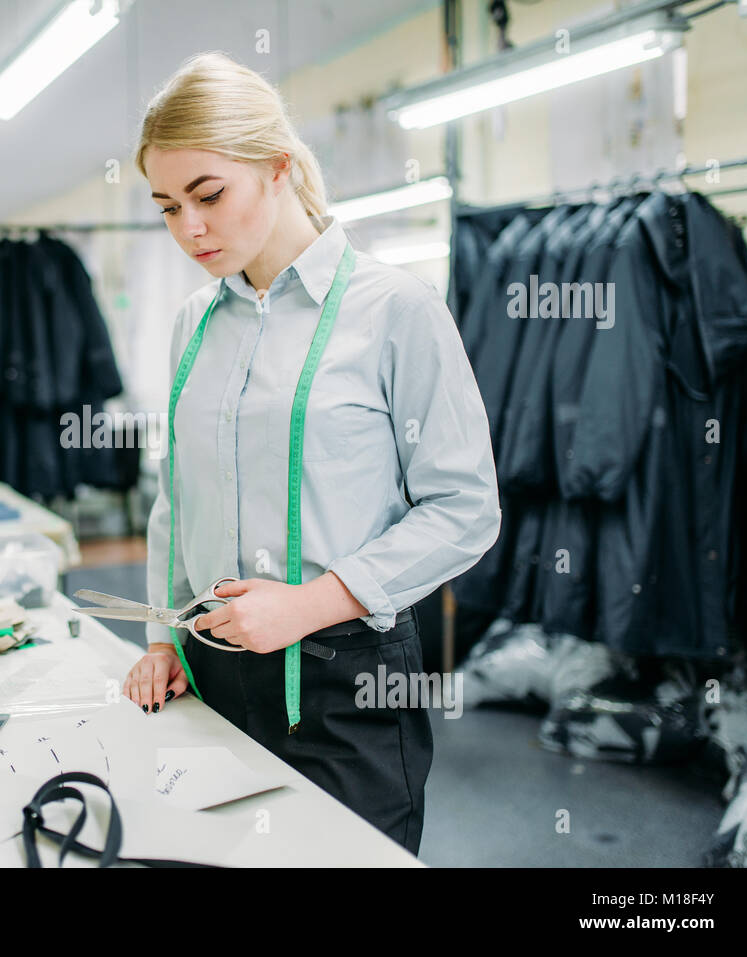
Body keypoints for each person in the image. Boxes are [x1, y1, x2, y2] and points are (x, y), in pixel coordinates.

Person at [122, 52, 500, 856]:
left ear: (277, 168)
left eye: (208, 195)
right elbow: (175, 496)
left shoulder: (396, 310)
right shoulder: (195, 322)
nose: (189, 228)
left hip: (347, 684)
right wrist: (163, 639)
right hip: (211, 667)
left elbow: (466, 509)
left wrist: (312, 601)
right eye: (166, 207)